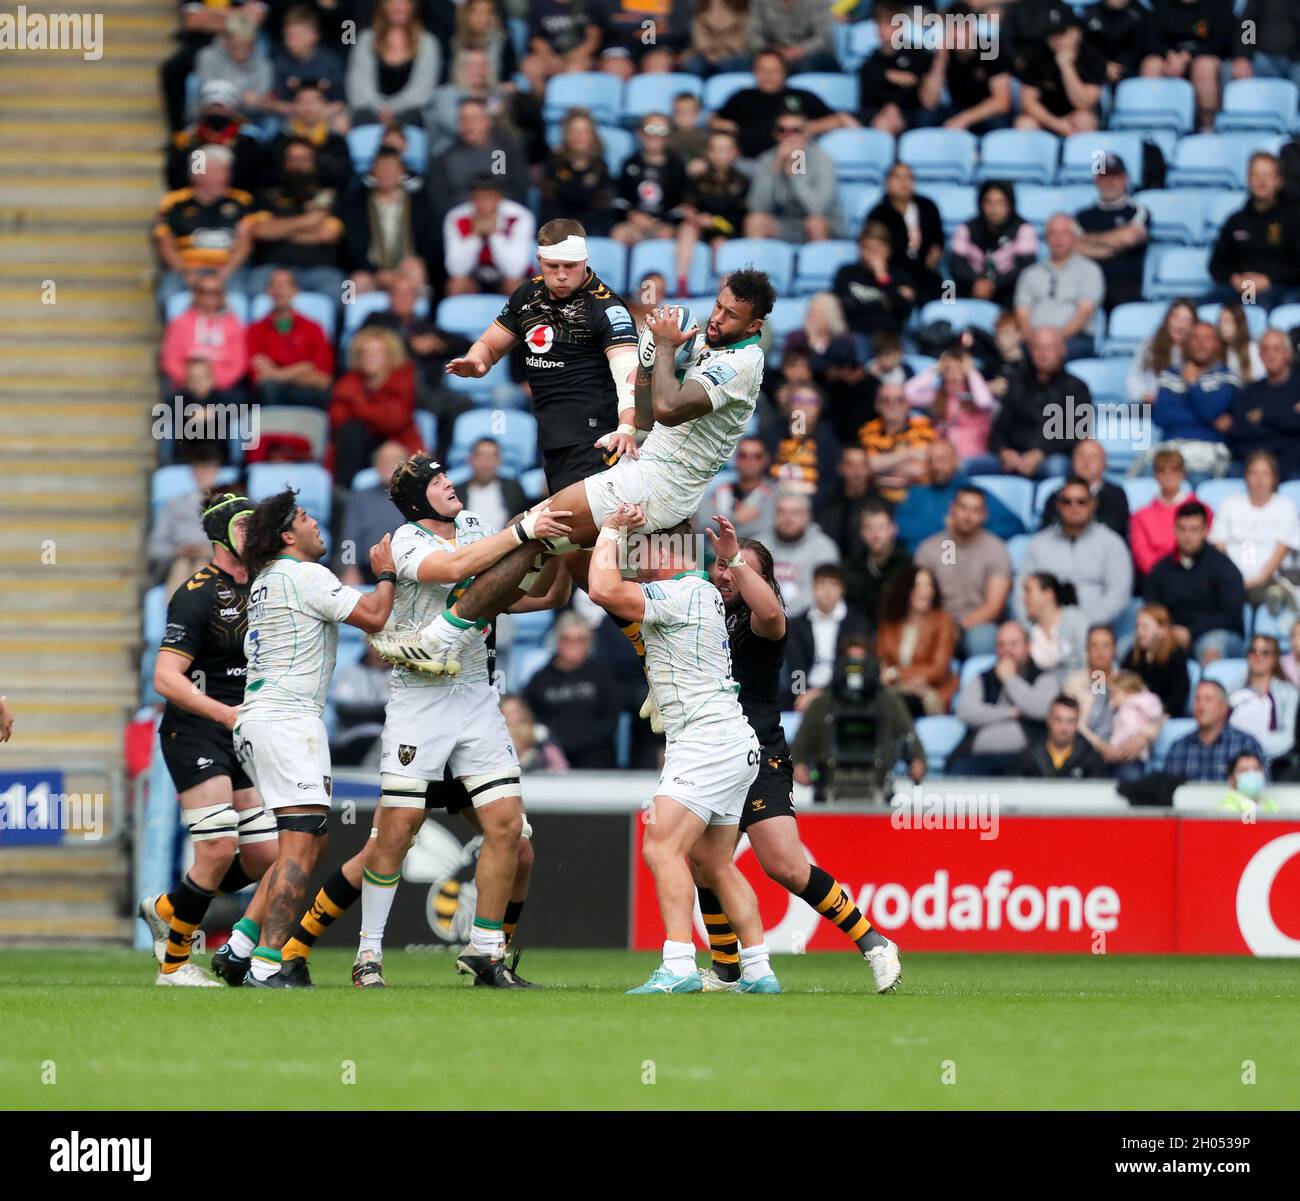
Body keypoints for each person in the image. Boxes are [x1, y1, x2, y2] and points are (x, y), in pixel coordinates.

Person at [413, 270, 775, 679]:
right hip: (650, 473)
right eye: (718, 306)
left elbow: (671, 408)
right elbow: (646, 414)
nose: (717, 318)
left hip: (656, 484)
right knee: (539, 538)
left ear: (754, 326)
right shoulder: (710, 346)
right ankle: (661, 669)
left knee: (535, 530)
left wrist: (668, 348)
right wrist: (648, 359)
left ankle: (437, 640)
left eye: (731, 315)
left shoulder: (743, 364)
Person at [343, 455, 570, 988]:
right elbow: (451, 570)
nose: (449, 483)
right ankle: (368, 953)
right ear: (419, 499)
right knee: (396, 830)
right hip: (420, 698)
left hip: (476, 695)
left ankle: (486, 952)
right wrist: (524, 529)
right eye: (436, 480)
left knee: (508, 828)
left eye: (446, 475)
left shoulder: (472, 527)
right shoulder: (403, 540)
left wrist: (559, 548)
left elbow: (518, 592)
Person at [694, 522, 902, 992]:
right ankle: (727, 969)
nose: (725, 574)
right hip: (712, 754)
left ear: (763, 580)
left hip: (760, 754)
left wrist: (736, 561)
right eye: (720, 565)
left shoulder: (765, 621)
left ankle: (874, 943)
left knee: (785, 866)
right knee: (705, 861)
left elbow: (769, 611)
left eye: (739, 566)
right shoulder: (703, 614)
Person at [586, 509, 779, 995]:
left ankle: (677, 964)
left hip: (706, 741)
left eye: (640, 547)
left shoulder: (680, 591)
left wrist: (609, 529)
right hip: (731, 741)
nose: (634, 557)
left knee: (660, 846)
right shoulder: (700, 591)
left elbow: (603, 590)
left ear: (663, 551)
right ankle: (758, 970)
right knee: (715, 862)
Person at [229, 490, 397, 987]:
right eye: (304, 517)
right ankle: (267, 965)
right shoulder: (304, 575)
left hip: (260, 718)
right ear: (287, 535)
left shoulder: (267, 580)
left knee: (309, 844)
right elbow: (373, 616)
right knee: (300, 847)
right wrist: (385, 572)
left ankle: (239, 947)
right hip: (286, 722)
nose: (316, 523)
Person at [137, 492, 275, 987]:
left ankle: (168, 906)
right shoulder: (196, 594)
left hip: (242, 732)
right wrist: (223, 712)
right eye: (245, 526)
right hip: (195, 730)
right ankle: (173, 966)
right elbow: (165, 677)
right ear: (222, 535)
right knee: (217, 849)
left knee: (267, 859)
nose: (254, 534)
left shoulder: (265, 583)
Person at [443, 218, 641, 499]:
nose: (561, 275)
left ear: (584, 260)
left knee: (570, 529)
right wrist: (477, 361)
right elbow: (489, 344)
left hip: (595, 440)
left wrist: (627, 426)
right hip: (552, 440)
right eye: (552, 266)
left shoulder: (605, 307)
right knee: (570, 534)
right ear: (539, 260)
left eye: (569, 266)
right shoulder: (528, 295)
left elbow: (628, 372)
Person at [790, 628, 927, 799]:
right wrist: (797, 766)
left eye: (861, 663)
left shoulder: (889, 703)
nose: (856, 671)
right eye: (850, 663)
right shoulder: (822, 704)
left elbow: (909, 738)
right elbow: (799, 746)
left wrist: (917, 762)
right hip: (830, 789)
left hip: (877, 787)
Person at [1016, 476, 1134, 627]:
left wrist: (1086, 625)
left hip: (1095, 634)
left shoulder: (1112, 543)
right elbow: (1021, 590)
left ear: (1092, 505)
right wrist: (1033, 629)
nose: (1074, 507)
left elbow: (1119, 593)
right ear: (1058, 505)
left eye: (1081, 502)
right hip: (1044, 632)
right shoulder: (1039, 543)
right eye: (1067, 501)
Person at [914, 483, 1014, 659]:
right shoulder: (932, 548)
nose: (968, 515)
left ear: (984, 515)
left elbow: (993, 606)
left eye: (975, 510)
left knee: (982, 639)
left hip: (978, 624)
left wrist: (959, 627)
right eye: (963, 507)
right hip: (937, 621)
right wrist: (943, 627)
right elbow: (920, 597)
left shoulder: (996, 549)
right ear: (953, 509)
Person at [950, 620, 1060, 776]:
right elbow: (964, 711)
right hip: (978, 757)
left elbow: (1042, 709)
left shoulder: (1044, 676)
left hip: (1027, 759)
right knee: (956, 773)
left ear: (1028, 647)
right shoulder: (984, 677)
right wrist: (1009, 712)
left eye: (1013, 644)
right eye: (1001, 645)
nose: (1006, 650)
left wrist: (1010, 679)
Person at [1144, 499, 1248, 663]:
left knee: (1211, 649)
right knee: (1126, 647)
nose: (1187, 536)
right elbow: (1151, 609)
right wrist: (1168, 632)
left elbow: (1232, 616)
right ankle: (1121, 688)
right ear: (1174, 530)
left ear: (1205, 531)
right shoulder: (1161, 569)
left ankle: (1209, 689)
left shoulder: (1224, 567)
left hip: (1214, 634)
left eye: (1194, 530)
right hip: (1169, 634)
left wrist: (1191, 632)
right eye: (1182, 529)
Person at [153, 144, 256, 307]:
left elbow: (245, 243)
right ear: (200, 173)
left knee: (239, 299)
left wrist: (225, 272)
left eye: (226, 171)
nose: (227, 177)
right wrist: (186, 273)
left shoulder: (241, 200)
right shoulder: (173, 201)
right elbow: (164, 242)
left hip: (229, 269)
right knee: (168, 294)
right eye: (221, 171)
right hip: (187, 269)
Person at [246, 137, 347, 300]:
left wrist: (279, 230)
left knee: (341, 294)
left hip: (320, 270)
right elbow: (261, 231)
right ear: (284, 163)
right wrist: (307, 221)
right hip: (273, 269)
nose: (298, 165)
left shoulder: (330, 196)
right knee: (254, 287)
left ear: (314, 163)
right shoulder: (269, 195)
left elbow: (327, 234)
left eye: (304, 160)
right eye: (292, 160)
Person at [523, 613, 624, 769]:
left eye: (580, 639)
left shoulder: (602, 675)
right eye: (566, 638)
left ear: (589, 642)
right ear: (557, 641)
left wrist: (580, 741)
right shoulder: (540, 678)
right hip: (551, 758)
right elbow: (529, 718)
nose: (573, 644)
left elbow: (611, 719)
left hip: (596, 758)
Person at [991, 327, 1092, 479]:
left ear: (1062, 350)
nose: (1043, 354)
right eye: (1037, 347)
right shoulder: (1016, 383)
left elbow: (1077, 433)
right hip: (1013, 456)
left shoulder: (1077, 388)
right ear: (1030, 351)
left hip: (1053, 457)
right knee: (971, 466)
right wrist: (1004, 452)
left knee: (1055, 467)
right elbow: (999, 428)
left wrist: (1040, 453)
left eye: (1049, 348)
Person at [710, 47, 844, 161]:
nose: (768, 75)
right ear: (754, 72)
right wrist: (725, 125)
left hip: (794, 161)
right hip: (749, 165)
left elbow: (837, 120)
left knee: (800, 170)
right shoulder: (741, 97)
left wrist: (809, 127)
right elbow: (714, 120)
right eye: (763, 70)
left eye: (774, 70)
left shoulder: (801, 96)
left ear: (784, 72)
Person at [328, 326, 422, 486]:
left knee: (361, 432)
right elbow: (337, 419)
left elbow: (394, 421)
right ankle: (344, 495)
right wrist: (374, 413)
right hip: (358, 449)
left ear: (389, 356)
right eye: (365, 353)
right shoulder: (348, 381)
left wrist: (358, 406)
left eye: (376, 353)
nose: (369, 358)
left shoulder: (402, 380)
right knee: (352, 431)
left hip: (397, 441)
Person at [1140, 0, 1252, 132]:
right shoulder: (1160, 4)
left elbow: (1220, 41)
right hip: (1169, 58)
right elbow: (1150, 38)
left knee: (1203, 67)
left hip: (1208, 56)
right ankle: (1151, 131)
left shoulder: (1220, 5)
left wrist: (1187, 56)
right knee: (1151, 65)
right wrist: (1169, 55)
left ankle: (1208, 129)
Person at [893, 439, 1026, 550]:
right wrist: (941, 530)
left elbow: (1015, 525)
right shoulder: (916, 494)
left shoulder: (973, 493)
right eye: (931, 461)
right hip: (923, 566)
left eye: (941, 460)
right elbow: (898, 530)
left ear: (956, 461)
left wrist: (971, 533)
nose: (935, 466)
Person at [1209, 152, 1300, 309]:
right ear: (1247, 179)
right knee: (1196, 307)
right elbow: (1215, 264)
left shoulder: (1293, 219)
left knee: (1255, 304)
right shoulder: (1235, 220)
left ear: (1279, 181)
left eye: (1267, 175)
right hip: (1240, 289)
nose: (1261, 181)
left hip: (1279, 290)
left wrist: (1269, 280)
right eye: (1256, 175)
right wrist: (1234, 278)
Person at [344, 147, 439, 295]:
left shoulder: (419, 203)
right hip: (371, 272)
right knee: (351, 285)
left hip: (405, 269)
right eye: (382, 167)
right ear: (373, 171)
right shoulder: (357, 203)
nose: (386, 173)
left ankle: (420, 316)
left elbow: (431, 242)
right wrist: (377, 272)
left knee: (416, 269)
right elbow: (351, 245)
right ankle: (347, 317)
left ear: (402, 171)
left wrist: (417, 262)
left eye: (392, 168)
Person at [1150, 321, 1239, 478]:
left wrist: (1192, 384)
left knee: (1198, 478)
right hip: (1171, 450)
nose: (1201, 344)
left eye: (1207, 338)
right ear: (1187, 343)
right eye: (1196, 338)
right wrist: (1209, 418)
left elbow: (1213, 409)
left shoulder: (1228, 376)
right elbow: (1161, 416)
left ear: (1217, 344)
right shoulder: (1170, 374)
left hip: (1210, 450)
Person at [1211, 452, 1300, 607]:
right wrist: (1233, 577)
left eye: (1265, 473)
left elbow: (1282, 550)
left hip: (1271, 576)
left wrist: (1256, 580)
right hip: (1231, 576)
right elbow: (1219, 545)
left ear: (1274, 478)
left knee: (1267, 589)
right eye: (1254, 473)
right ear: (1246, 476)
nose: (1259, 479)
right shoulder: (1230, 504)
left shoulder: (1286, 506)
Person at [1013, 214, 1105, 360]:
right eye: (1053, 233)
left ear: (1074, 237)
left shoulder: (1090, 270)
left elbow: (1084, 313)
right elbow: (1022, 314)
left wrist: (1052, 341)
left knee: (1052, 355)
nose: (1058, 238)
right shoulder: (1029, 273)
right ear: (1046, 239)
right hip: (1035, 339)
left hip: (1075, 338)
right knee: (1011, 352)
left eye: (1064, 233)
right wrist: (1035, 340)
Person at [744, 112, 841, 244]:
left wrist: (794, 172)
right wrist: (775, 168)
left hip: (824, 225)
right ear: (775, 133)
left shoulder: (822, 160)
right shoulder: (767, 159)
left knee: (815, 222)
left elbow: (817, 209)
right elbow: (757, 207)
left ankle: (819, 263)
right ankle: (759, 262)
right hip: (785, 224)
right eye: (782, 130)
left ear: (806, 133)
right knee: (755, 221)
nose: (788, 136)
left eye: (796, 130)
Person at [875, 566, 959, 716]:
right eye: (918, 585)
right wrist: (891, 675)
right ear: (905, 590)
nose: (925, 591)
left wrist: (896, 673)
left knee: (901, 704)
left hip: (928, 693)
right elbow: (881, 663)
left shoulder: (942, 621)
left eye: (929, 585)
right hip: (894, 690)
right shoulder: (890, 623)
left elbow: (938, 670)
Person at [675, 129, 749, 297]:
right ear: (708, 153)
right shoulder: (698, 177)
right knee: (687, 229)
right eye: (715, 149)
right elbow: (687, 205)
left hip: (727, 230)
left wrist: (715, 222)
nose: (719, 154)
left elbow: (739, 219)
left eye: (725, 150)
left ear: (734, 153)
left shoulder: (741, 181)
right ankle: (682, 283)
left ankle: (721, 290)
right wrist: (694, 216)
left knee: (719, 242)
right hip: (699, 227)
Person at [246, 267, 333, 409]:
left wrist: (275, 373)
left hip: (305, 394)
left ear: (295, 291)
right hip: (272, 394)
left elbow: (323, 380)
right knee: (267, 389)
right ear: (268, 291)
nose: (279, 291)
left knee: (325, 395)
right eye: (274, 285)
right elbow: (258, 378)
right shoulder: (255, 330)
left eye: (284, 285)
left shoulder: (313, 328)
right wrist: (301, 369)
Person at [345, 0, 440, 126]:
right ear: (383, 6)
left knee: (413, 118)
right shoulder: (366, 39)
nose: (397, 7)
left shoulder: (428, 43)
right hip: (370, 114)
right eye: (391, 2)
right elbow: (358, 86)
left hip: (410, 115)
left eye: (403, 2)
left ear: (413, 6)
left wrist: (393, 109)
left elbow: (422, 90)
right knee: (361, 118)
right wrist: (380, 109)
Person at [1013, 5, 1105, 136]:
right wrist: (1057, 124)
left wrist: (1066, 66)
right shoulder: (1036, 56)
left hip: (1080, 113)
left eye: (1061, 33)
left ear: (1076, 33)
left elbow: (1084, 103)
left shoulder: (1093, 58)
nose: (1056, 39)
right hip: (1047, 116)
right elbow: (1028, 102)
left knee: (1083, 121)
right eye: (1051, 34)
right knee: (1024, 124)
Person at [1073, 153, 1149, 309]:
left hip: (1123, 286)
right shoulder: (1083, 215)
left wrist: (1090, 239)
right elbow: (1074, 248)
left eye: (1115, 175)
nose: (1109, 181)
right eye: (1104, 176)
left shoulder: (1136, 210)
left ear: (1125, 178)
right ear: (1096, 180)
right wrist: (1115, 246)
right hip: (1086, 286)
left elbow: (1129, 238)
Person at [856, 0, 943, 133]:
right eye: (879, 24)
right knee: (881, 122)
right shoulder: (871, 62)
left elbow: (927, 99)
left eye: (888, 24)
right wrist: (888, 76)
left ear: (900, 26)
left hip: (910, 115)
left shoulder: (918, 55)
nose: (882, 29)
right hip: (879, 116)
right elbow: (867, 99)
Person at [441, 175, 535, 299]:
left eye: (488, 197)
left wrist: (495, 235)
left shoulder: (519, 216)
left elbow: (514, 270)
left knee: (516, 286)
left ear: (499, 197)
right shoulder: (456, 217)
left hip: (506, 278)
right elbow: (456, 270)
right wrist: (474, 235)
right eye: (478, 198)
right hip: (474, 278)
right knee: (456, 285)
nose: (483, 203)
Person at [167, 78, 264, 195]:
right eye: (213, 107)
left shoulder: (247, 140)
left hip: (237, 198)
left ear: (232, 109)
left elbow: (252, 177)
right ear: (203, 108)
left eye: (221, 107)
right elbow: (178, 178)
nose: (217, 112)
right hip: (197, 199)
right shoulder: (190, 139)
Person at [865, 163, 945, 306]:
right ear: (887, 183)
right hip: (894, 273)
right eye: (898, 177)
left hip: (926, 272)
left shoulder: (928, 207)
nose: (904, 182)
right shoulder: (878, 213)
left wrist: (937, 249)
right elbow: (872, 245)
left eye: (908, 178)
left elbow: (938, 238)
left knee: (949, 294)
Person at [949, 180, 1038, 308]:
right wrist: (976, 282)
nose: (994, 208)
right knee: (947, 287)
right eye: (988, 202)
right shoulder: (966, 228)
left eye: (1000, 202)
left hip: (1008, 289)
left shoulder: (1024, 229)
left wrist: (993, 284)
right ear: (981, 204)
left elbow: (1025, 267)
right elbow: (955, 264)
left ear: (1010, 204)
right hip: (973, 286)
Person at [903, 347, 997, 467]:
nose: (952, 374)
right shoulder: (938, 395)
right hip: (942, 459)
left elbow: (985, 402)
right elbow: (906, 394)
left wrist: (971, 372)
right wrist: (934, 370)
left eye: (958, 369)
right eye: (948, 369)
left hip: (971, 459)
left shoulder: (975, 395)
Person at [785, 563, 862, 710]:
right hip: (805, 693)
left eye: (833, 585)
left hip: (842, 692)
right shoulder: (798, 625)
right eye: (821, 584)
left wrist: (824, 693)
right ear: (813, 588)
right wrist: (800, 694)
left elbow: (853, 666)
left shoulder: (856, 623)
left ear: (842, 589)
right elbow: (796, 667)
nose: (827, 591)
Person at [160, 270, 248, 395]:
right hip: (186, 386)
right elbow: (170, 361)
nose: (209, 297)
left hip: (223, 388)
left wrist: (212, 382)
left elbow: (238, 364)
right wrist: (195, 381)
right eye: (204, 291)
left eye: (215, 292)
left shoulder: (234, 325)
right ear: (195, 294)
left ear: (222, 295)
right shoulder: (179, 323)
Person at [931, 1, 1014, 134]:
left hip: (987, 112)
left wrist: (965, 118)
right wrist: (940, 62)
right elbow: (929, 102)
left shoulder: (990, 49)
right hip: (957, 108)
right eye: (949, 28)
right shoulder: (944, 53)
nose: (953, 34)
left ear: (970, 27)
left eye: (958, 27)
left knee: (998, 126)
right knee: (928, 118)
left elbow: (1002, 102)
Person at [1227, 329, 1300, 476]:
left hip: (1292, 465)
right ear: (1259, 355)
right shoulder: (1249, 390)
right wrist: (1287, 415)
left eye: (1276, 349)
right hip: (1253, 462)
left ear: (1287, 354)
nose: (1270, 355)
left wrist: (1263, 415)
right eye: (1265, 349)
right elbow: (1239, 430)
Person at [1164, 680, 1267, 782]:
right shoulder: (1178, 747)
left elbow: (1264, 788)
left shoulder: (1246, 744)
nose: (1201, 705)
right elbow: (1166, 791)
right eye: (1197, 699)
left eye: (1208, 699)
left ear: (1224, 707)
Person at [610, 114, 687, 247]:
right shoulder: (629, 163)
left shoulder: (676, 167)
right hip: (634, 221)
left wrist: (658, 221)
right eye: (650, 129)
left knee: (666, 236)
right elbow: (620, 199)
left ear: (668, 136)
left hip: (663, 224)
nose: (655, 136)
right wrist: (632, 215)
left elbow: (680, 206)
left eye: (661, 131)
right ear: (640, 133)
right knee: (619, 233)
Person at [1130, 449, 1207, 582]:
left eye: (1174, 471)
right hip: (1157, 582)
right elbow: (1143, 557)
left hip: (1196, 581)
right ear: (1155, 475)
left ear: (1183, 475)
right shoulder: (1141, 516)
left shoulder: (1204, 511)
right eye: (1162, 471)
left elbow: (1206, 552)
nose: (1168, 476)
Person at [830, 222, 916, 339]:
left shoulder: (900, 276)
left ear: (888, 250)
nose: (872, 255)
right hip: (853, 334)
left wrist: (883, 279)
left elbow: (904, 311)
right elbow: (842, 307)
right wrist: (886, 302)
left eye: (877, 249)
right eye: (867, 248)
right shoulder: (847, 273)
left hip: (888, 338)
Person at [340, 441, 408, 586]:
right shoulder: (360, 497)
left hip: (407, 571)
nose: (387, 464)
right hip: (367, 572)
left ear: (406, 466)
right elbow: (349, 538)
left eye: (393, 461)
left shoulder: (415, 498)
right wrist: (349, 568)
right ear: (375, 465)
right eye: (382, 460)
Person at [856, 380, 936, 504]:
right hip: (876, 498)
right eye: (886, 400)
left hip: (916, 497)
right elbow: (868, 465)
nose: (892, 405)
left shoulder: (923, 427)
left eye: (899, 400)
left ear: (908, 404)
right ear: (877, 405)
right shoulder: (867, 430)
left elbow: (919, 469)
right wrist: (909, 454)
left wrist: (883, 464)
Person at [538, 112, 617, 237]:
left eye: (585, 131)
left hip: (591, 234)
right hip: (557, 233)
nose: (580, 136)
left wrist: (578, 229)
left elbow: (602, 211)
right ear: (566, 135)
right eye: (574, 131)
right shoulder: (553, 166)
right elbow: (548, 206)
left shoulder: (601, 168)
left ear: (592, 136)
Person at [264, 83, 352, 192]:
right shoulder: (280, 139)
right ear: (293, 106)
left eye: (314, 101)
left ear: (324, 105)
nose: (308, 106)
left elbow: (343, 176)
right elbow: (270, 176)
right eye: (302, 101)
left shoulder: (336, 141)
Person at [1038, 438, 1130, 541]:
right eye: (1081, 455)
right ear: (1072, 462)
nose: (1086, 461)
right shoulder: (1057, 494)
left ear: (1104, 464)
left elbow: (1116, 531)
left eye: (1093, 456)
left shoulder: (1117, 495)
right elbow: (1047, 533)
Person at [1081, 669, 1165, 781]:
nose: (1111, 698)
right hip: (1111, 755)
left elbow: (1156, 719)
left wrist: (1140, 740)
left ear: (1129, 692)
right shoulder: (1117, 707)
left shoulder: (1142, 705)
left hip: (1133, 758)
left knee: (1129, 779)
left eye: (1114, 693)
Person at [768, 490, 841, 618]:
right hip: (762, 621)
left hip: (804, 625)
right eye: (781, 512)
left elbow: (820, 595)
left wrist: (779, 616)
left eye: (795, 513)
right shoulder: (759, 545)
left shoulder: (824, 548)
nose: (788, 518)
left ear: (808, 516)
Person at [1229, 635, 1299, 764]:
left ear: (1275, 658)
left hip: (1277, 761)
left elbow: (1288, 738)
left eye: (1265, 652)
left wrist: (1251, 748)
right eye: (1253, 651)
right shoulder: (1232, 690)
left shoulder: (1289, 692)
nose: (1258, 655)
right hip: (1232, 760)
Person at [696, 436, 777, 543]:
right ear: (735, 458)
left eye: (757, 456)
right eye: (743, 455)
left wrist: (726, 524)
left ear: (766, 460)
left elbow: (768, 528)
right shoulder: (721, 490)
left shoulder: (776, 492)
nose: (750, 461)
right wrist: (736, 519)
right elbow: (703, 523)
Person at [842, 501, 911, 625]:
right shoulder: (852, 567)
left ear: (893, 529)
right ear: (861, 533)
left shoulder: (907, 566)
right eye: (869, 528)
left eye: (881, 527)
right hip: (861, 632)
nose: (875, 534)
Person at [1121, 602, 1192, 718]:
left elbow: (1177, 699)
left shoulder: (1176, 657)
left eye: (1145, 626)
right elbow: (1121, 683)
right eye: (1137, 626)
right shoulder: (1133, 654)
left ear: (1162, 630)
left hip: (1162, 717)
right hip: (1132, 715)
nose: (1139, 631)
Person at [1014, 694, 1107, 778]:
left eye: (1070, 721)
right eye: (1058, 720)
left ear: (1077, 723)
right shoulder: (1029, 756)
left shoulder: (1090, 757)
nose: (1064, 727)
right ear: (1048, 720)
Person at [1127, 298, 1196, 405]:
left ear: (1193, 326)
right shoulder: (1149, 345)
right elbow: (1134, 379)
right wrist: (1146, 395)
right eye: (1176, 317)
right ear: (1168, 319)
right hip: (1151, 404)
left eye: (1186, 320)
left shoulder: (1198, 351)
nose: (1180, 324)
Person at [1022, 571, 1089, 675]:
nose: (1024, 599)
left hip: (1079, 687)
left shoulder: (1076, 622)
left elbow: (1096, 663)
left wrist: (1096, 689)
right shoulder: (1027, 631)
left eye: (1028, 591)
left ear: (1048, 594)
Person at [1063, 624, 1120, 743]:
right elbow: (1069, 722)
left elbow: (1149, 715)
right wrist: (1099, 745)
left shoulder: (1128, 680)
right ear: (1087, 650)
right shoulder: (1074, 683)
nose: (1100, 651)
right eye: (1094, 646)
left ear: (1114, 649)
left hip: (1123, 751)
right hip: (1085, 749)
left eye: (1106, 645)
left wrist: (1139, 740)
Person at [461, 437, 529, 533]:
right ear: (470, 459)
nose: (486, 463)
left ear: (500, 461)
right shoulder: (456, 492)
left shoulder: (513, 488)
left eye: (492, 457)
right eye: (481, 456)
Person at [681, 0, 751, 78]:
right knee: (694, 64)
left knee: (728, 63)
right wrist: (709, 52)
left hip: (732, 52)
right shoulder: (701, 5)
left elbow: (742, 35)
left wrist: (724, 52)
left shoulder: (742, 6)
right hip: (705, 52)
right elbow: (699, 34)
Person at [500, 694, 569, 771]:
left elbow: (559, 764)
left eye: (515, 712)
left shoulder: (539, 733)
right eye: (507, 713)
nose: (512, 717)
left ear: (523, 711)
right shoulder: (500, 737)